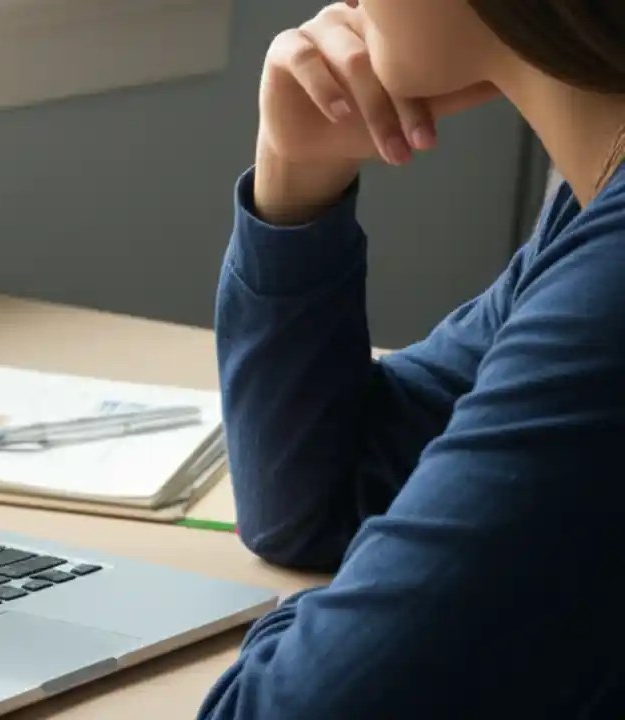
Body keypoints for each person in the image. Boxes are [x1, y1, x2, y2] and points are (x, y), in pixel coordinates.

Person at [199, 1, 625, 717]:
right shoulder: (590, 211)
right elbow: (319, 504)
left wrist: (375, 609)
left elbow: (286, 709)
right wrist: (293, 174)